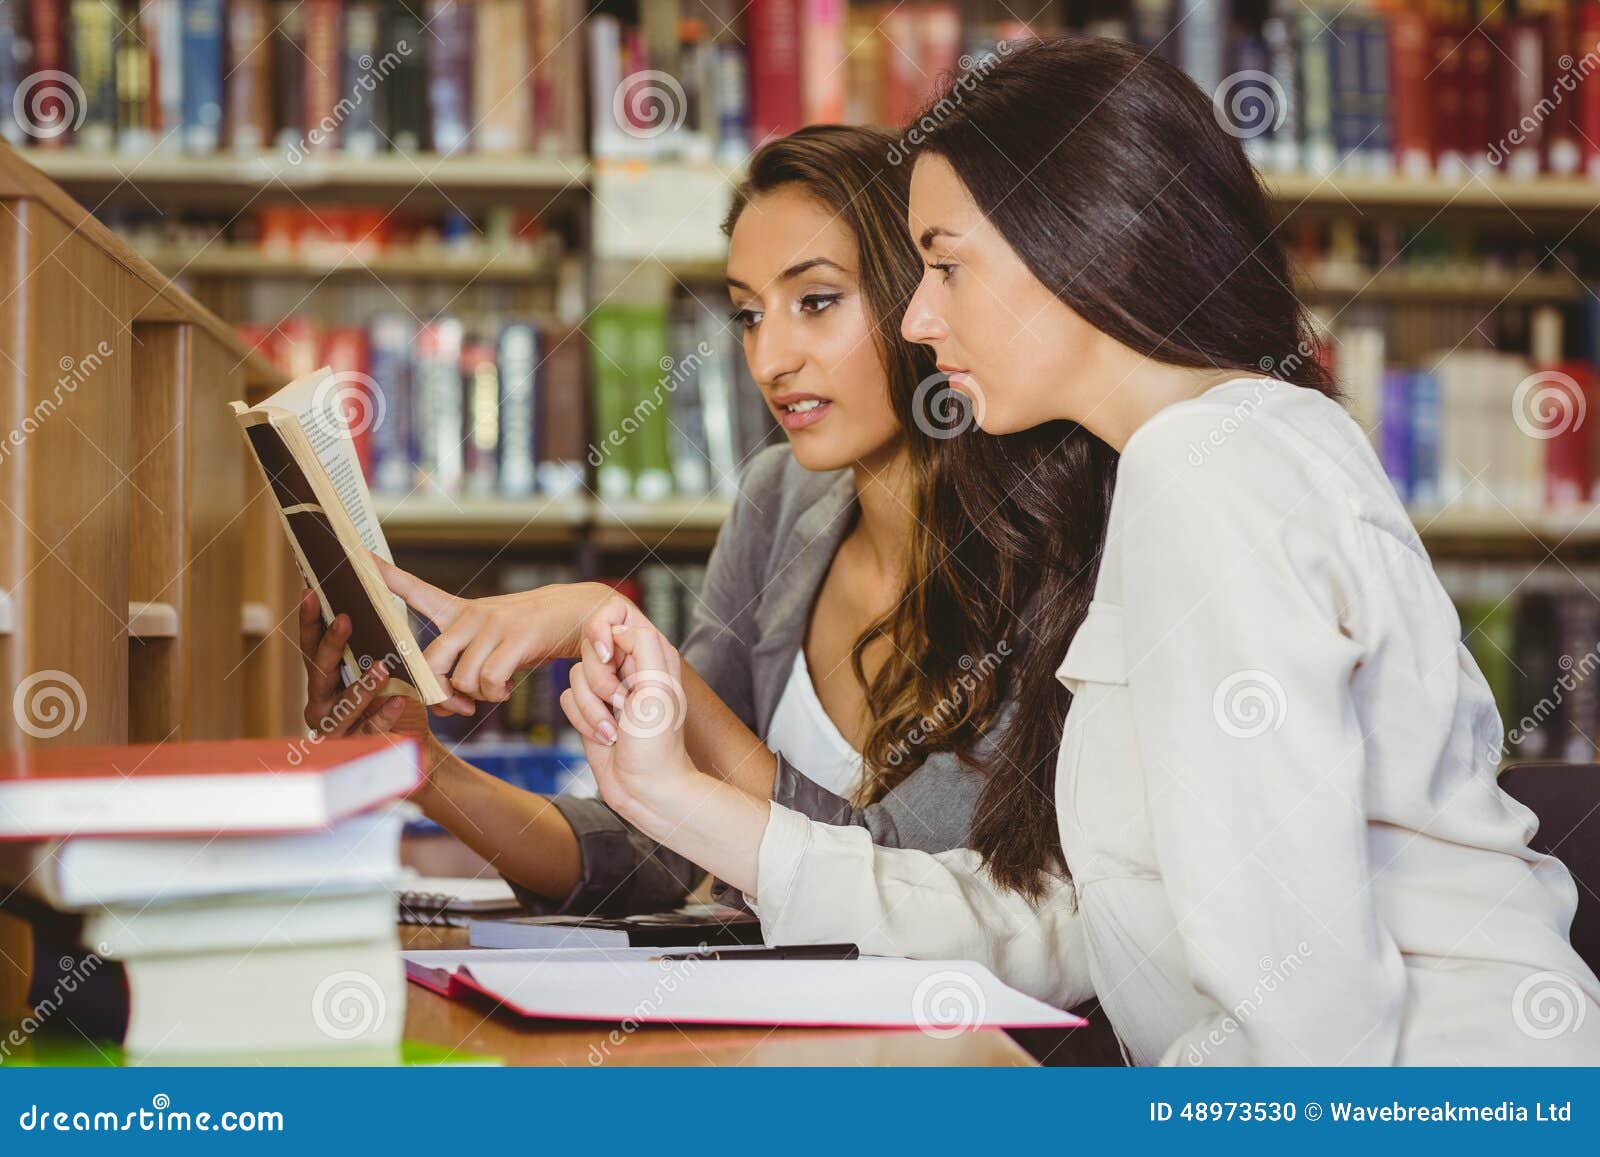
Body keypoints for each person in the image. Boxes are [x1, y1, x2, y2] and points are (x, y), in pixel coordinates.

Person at [552, 37, 1600, 1065]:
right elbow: (1061, 911)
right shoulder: (1186, 461)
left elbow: (1304, 1041)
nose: (918, 318)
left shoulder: (1210, 471)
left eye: (945, 265)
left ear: (1081, 244)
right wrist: (673, 796)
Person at [300, 124, 1090, 1000]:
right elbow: (657, 846)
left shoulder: (1045, 550)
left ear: (921, 299)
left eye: (816, 301)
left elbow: (899, 884)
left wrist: (622, 635)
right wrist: (423, 767)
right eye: (748, 314)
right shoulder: (777, 500)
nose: (770, 358)